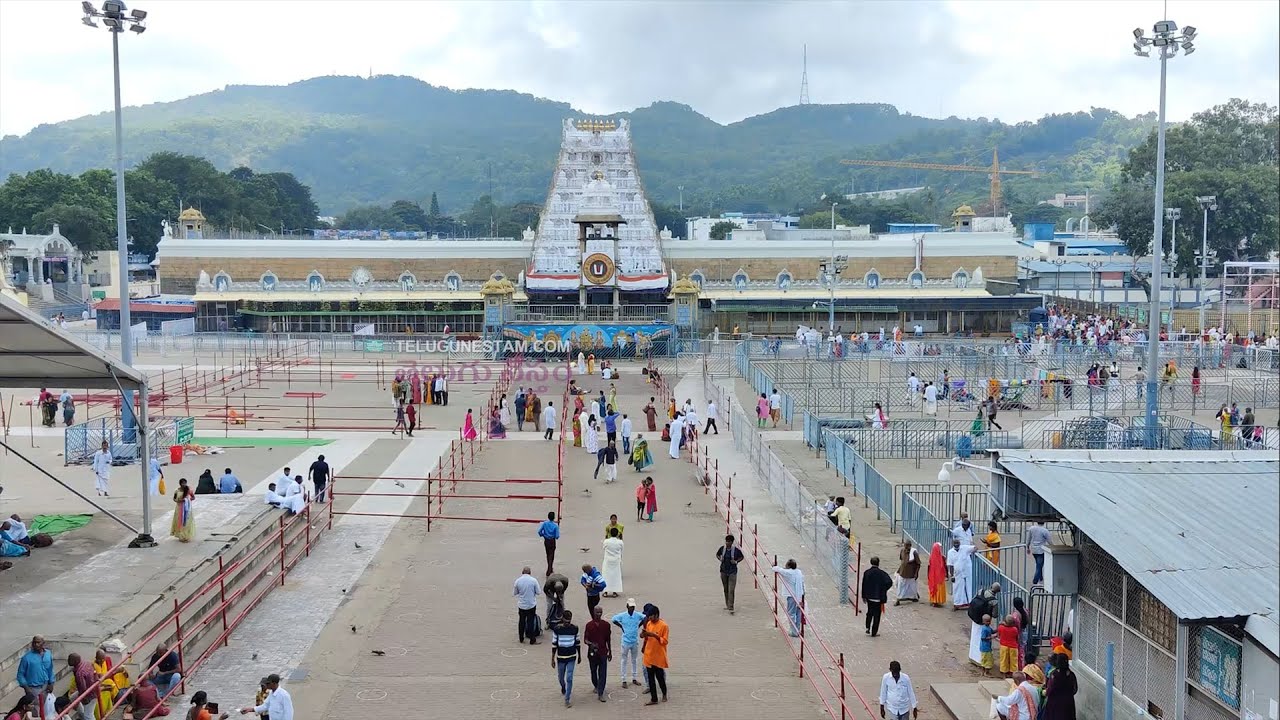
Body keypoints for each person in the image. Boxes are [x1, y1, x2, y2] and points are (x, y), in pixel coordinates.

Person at [551, 609, 582, 708]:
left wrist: (579, 655)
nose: (567, 623)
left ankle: (567, 698)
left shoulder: (575, 629)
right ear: (562, 619)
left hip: (571, 657)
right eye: (566, 621)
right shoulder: (557, 629)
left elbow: (577, 643)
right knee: (561, 677)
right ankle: (563, 687)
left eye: (569, 621)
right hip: (560, 657)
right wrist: (552, 658)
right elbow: (554, 644)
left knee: (569, 677)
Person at [640, 605, 670, 705]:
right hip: (649, 655)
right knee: (651, 678)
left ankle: (664, 694)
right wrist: (643, 634)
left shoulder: (664, 626)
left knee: (660, 677)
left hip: (658, 656)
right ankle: (654, 699)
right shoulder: (649, 623)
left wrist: (655, 635)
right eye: (648, 617)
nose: (649, 618)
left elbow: (664, 641)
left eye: (651, 616)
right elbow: (646, 638)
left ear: (656, 615)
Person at [611, 600, 644, 688]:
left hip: (634, 641)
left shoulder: (637, 615)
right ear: (627, 606)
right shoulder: (623, 615)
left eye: (633, 607)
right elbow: (613, 619)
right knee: (624, 660)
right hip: (625, 641)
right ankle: (624, 679)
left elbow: (645, 618)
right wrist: (621, 626)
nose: (632, 609)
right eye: (630, 607)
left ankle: (634, 677)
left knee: (634, 660)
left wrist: (639, 625)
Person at [16, 636, 54, 712]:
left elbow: (50, 669)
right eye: (34, 642)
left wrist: (51, 683)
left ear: (43, 643)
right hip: (33, 688)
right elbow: (20, 675)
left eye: (38, 642)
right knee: (35, 710)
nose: (36, 644)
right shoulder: (26, 658)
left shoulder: (48, 654)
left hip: (45, 686)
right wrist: (27, 688)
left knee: (47, 708)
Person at [584, 606, 612, 703]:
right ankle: (596, 685)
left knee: (603, 673)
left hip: (603, 652)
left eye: (600, 612)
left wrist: (610, 652)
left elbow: (608, 639)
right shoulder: (589, 625)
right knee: (593, 671)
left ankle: (601, 692)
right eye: (597, 612)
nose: (599, 614)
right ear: (593, 612)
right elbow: (585, 640)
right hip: (592, 653)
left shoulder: (606, 625)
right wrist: (591, 644)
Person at [862, 556, 894, 637]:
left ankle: (867, 627)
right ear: (878, 563)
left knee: (869, 612)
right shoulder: (882, 574)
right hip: (879, 598)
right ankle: (874, 632)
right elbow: (889, 582)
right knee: (877, 615)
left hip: (869, 597)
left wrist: (864, 595)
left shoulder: (867, 573)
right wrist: (884, 589)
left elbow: (864, 585)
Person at [773, 559, 805, 636]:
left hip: (792, 596)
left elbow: (775, 569)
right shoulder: (798, 572)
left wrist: (774, 565)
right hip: (800, 596)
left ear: (789, 566)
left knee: (791, 614)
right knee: (798, 613)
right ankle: (797, 630)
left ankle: (794, 632)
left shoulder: (788, 573)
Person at [1041, 653, 1077, 720]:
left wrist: (1045, 692)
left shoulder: (1054, 675)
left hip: (1055, 702)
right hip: (1068, 702)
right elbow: (1075, 689)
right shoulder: (1071, 675)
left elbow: (1049, 689)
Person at [716, 534, 745, 614]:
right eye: (726, 541)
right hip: (723, 571)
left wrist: (736, 562)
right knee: (726, 589)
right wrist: (720, 558)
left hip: (732, 572)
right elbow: (717, 555)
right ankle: (727, 604)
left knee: (731, 589)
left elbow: (742, 557)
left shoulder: (736, 550)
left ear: (732, 542)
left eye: (729, 541)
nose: (727, 543)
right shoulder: (722, 549)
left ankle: (731, 606)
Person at [514, 566, 542, 645]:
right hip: (531, 604)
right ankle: (532, 639)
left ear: (522, 572)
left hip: (521, 605)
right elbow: (538, 592)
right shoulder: (533, 580)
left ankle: (521, 638)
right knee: (530, 622)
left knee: (521, 621)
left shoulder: (517, 581)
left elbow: (515, 593)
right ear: (530, 573)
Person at [67, 653, 98, 720]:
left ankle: (84, 716)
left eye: (70, 659)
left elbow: (83, 688)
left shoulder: (79, 673)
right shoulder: (86, 663)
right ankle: (82, 715)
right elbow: (95, 672)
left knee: (88, 715)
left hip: (89, 693)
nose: (68, 660)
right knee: (72, 698)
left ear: (75, 661)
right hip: (93, 688)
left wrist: (85, 698)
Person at [947, 538, 976, 609]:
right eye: (955, 543)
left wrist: (973, 552)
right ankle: (957, 604)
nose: (956, 544)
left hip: (966, 572)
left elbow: (975, 547)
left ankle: (967, 602)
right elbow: (950, 564)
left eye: (958, 543)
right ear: (953, 544)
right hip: (957, 574)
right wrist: (952, 576)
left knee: (967, 587)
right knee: (957, 588)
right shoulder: (950, 552)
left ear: (960, 543)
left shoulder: (964, 548)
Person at [1026, 521, 1051, 586]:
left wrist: (1027, 547)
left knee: (1038, 564)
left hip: (1034, 549)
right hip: (1041, 550)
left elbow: (1028, 539)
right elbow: (1049, 541)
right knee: (1039, 566)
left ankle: (1041, 578)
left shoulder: (1032, 528)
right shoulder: (1045, 531)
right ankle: (1035, 580)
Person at [601, 528, 624, 596]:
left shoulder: (606, 541)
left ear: (610, 533)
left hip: (607, 560)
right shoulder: (620, 542)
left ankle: (605, 591)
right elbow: (622, 549)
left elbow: (604, 548)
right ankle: (614, 591)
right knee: (616, 575)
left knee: (606, 575)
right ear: (617, 534)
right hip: (616, 560)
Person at [538, 512, 560, 577]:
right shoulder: (555, 525)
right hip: (552, 541)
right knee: (551, 555)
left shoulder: (545, 523)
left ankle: (550, 568)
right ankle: (549, 569)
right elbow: (557, 536)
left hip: (546, 540)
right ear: (554, 517)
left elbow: (539, 532)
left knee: (548, 555)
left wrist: (543, 535)